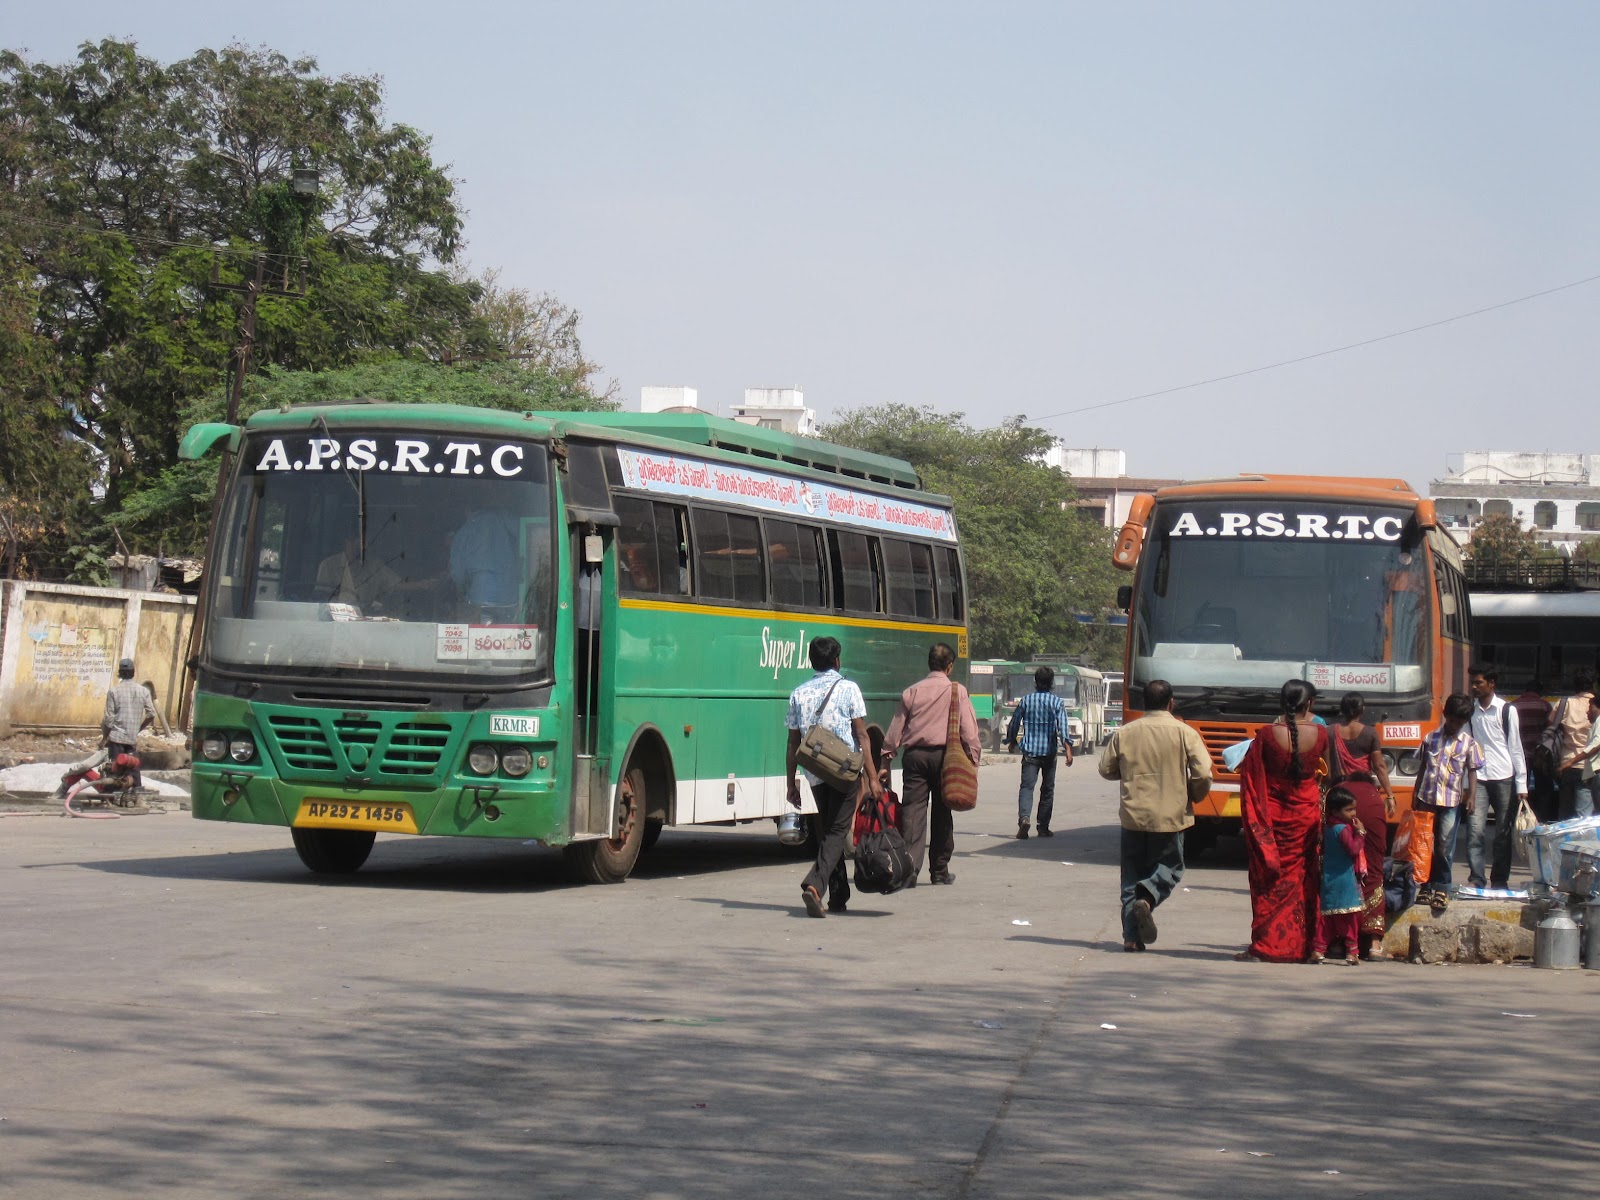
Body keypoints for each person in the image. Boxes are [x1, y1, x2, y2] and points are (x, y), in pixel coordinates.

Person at [1098, 678, 1211, 952]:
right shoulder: (1184, 733)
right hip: (1171, 815)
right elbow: (1204, 772)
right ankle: (1148, 898)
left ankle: (1131, 937)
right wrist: (1193, 795)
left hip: (1133, 815)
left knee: (1130, 876)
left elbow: (1105, 768)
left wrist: (1126, 776)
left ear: (1143, 702)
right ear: (1171, 703)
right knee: (1171, 868)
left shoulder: (1126, 732)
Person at [785, 637, 881, 917]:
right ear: (837, 661)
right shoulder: (849, 688)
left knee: (829, 832)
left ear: (812, 662)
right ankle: (815, 885)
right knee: (838, 831)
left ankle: (839, 896)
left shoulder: (798, 693)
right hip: (844, 771)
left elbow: (793, 743)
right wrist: (872, 777)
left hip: (815, 772)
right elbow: (862, 735)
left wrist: (791, 782)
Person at [1236, 679, 1328, 963]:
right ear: (1309, 704)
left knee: (1268, 880)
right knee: (1305, 880)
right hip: (1306, 816)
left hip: (1273, 818)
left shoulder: (1266, 734)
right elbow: (1329, 777)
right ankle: (1305, 946)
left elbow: (1252, 777)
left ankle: (1265, 945)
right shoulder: (1323, 734)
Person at [881, 643, 981, 886]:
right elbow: (969, 732)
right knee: (943, 812)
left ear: (929, 664)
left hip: (915, 757)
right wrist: (973, 763)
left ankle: (910, 870)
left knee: (912, 813)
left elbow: (895, 731)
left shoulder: (911, 692)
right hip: (947, 757)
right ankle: (939, 870)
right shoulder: (958, 691)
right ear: (949, 667)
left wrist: (886, 759)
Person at [1327, 692, 1395, 959]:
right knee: (1374, 867)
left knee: (1338, 867)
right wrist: (1389, 795)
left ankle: (1336, 940)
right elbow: (1378, 765)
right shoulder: (1369, 733)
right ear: (1362, 709)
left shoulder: (1330, 732)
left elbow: (1327, 769)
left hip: (1339, 796)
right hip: (1367, 797)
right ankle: (1374, 942)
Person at [1412, 693, 1484, 908]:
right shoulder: (1430, 738)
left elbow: (1472, 771)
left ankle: (1442, 888)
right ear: (1445, 716)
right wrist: (1415, 793)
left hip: (1451, 802)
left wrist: (1471, 795)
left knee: (1445, 847)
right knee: (1424, 845)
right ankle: (1424, 887)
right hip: (1427, 798)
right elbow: (1423, 767)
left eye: (1460, 723)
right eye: (1452, 721)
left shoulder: (1468, 744)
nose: (1454, 726)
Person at [1466, 665, 1527, 891]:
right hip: (1478, 778)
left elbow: (1516, 747)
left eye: (1478, 683)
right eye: (1472, 683)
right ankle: (1477, 878)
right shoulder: (1470, 711)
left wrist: (1521, 783)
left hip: (1504, 777)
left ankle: (1499, 879)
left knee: (1503, 832)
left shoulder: (1506, 710)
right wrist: (1466, 784)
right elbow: (1466, 745)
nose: (1473, 687)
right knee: (1475, 831)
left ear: (1491, 684)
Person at [1005, 665, 1074, 839]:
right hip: (1049, 753)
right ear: (1052, 683)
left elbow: (1014, 723)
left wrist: (1011, 740)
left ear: (1035, 681)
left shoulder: (1026, 700)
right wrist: (1068, 749)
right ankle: (1043, 827)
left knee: (1027, 787)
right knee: (1047, 789)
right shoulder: (1057, 702)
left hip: (1030, 753)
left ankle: (1024, 818)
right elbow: (1063, 727)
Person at [1309, 788, 1367, 966]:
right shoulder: (1343, 829)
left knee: (1327, 919)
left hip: (1329, 879)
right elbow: (1353, 849)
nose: (1353, 814)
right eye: (1349, 810)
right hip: (1344, 880)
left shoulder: (1328, 828)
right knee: (1350, 919)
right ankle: (1352, 952)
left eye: (1354, 809)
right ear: (1335, 811)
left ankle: (1318, 950)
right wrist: (1361, 833)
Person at [449, 507, 523, 618]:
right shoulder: (503, 517)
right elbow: (528, 532)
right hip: (510, 595)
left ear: (467, 510)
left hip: (479, 596)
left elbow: (457, 572)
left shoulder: (464, 531)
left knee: (482, 632)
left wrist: (461, 591)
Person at [101, 658, 157, 788]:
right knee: (134, 768)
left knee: (114, 770)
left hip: (116, 739)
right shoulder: (143, 691)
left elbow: (109, 720)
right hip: (131, 739)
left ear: (120, 673)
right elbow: (151, 714)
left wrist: (104, 738)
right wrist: (139, 728)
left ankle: (112, 795)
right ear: (133, 673)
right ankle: (137, 793)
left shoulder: (113, 691)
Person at [1553, 669, 1598, 819]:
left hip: (1566, 764)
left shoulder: (1565, 703)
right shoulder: (1596, 703)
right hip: (1589, 766)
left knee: (1565, 811)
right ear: (1592, 685)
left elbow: (1550, 723)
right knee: (1584, 815)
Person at [1512, 679, 1554, 821]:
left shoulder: (1514, 705)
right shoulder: (1544, 705)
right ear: (1539, 692)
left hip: (1520, 752)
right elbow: (1550, 728)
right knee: (1544, 787)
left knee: (1521, 786)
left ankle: (1520, 816)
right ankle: (1541, 817)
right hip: (1539, 753)